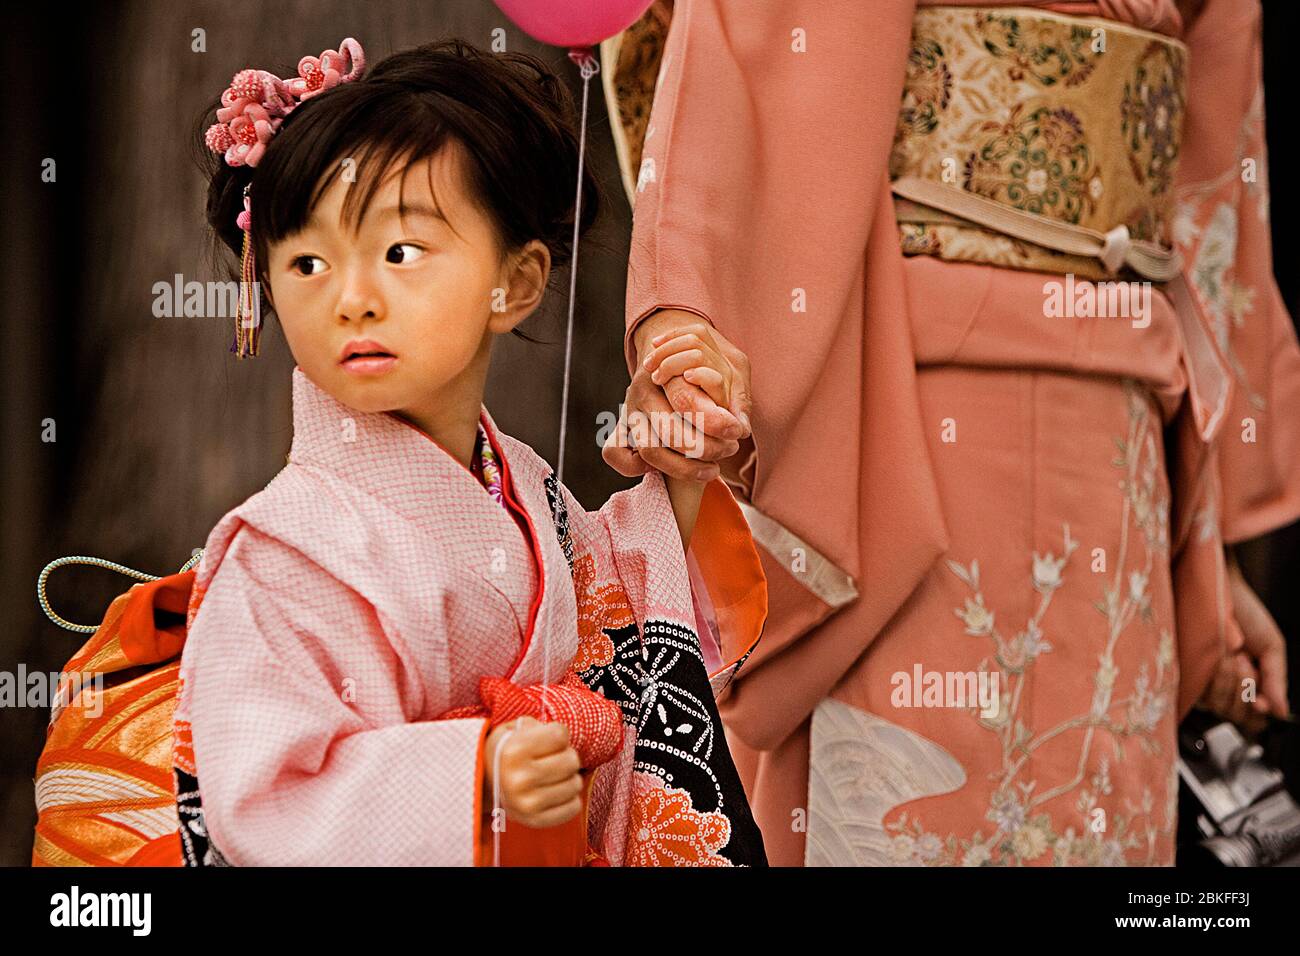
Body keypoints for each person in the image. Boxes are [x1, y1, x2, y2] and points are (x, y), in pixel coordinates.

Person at [604, 0, 1300, 865]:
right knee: (909, 801)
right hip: (902, 396)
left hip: (1122, 426)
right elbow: (760, 41)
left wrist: (1217, 535)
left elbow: (1211, 149)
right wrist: (691, 320)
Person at [172, 36, 768, 866]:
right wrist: (472, 772)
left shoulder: (523, 484)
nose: (351, 299)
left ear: (516, 283)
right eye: (307, 260)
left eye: (400, 252)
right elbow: (267, 796)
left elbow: (623, 634)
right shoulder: (283, 551)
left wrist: (680, 478)